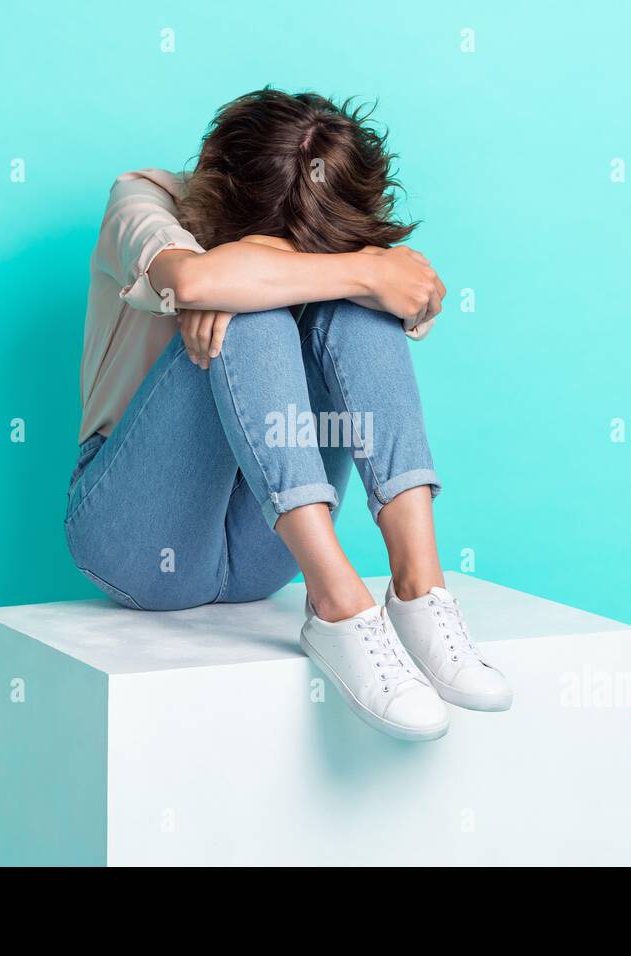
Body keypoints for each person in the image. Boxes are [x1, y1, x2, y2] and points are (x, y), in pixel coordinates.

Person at [66, 89, 511, 740]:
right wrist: (351, 268)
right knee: (246, 305)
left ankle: (420, 590)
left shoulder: (338, 238)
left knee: (356, 308)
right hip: (137, 541)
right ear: (212, 184)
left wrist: (355, 280)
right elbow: (191, 282)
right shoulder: (143, 199)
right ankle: (338, 604)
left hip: (265, 552)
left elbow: (413, 298)